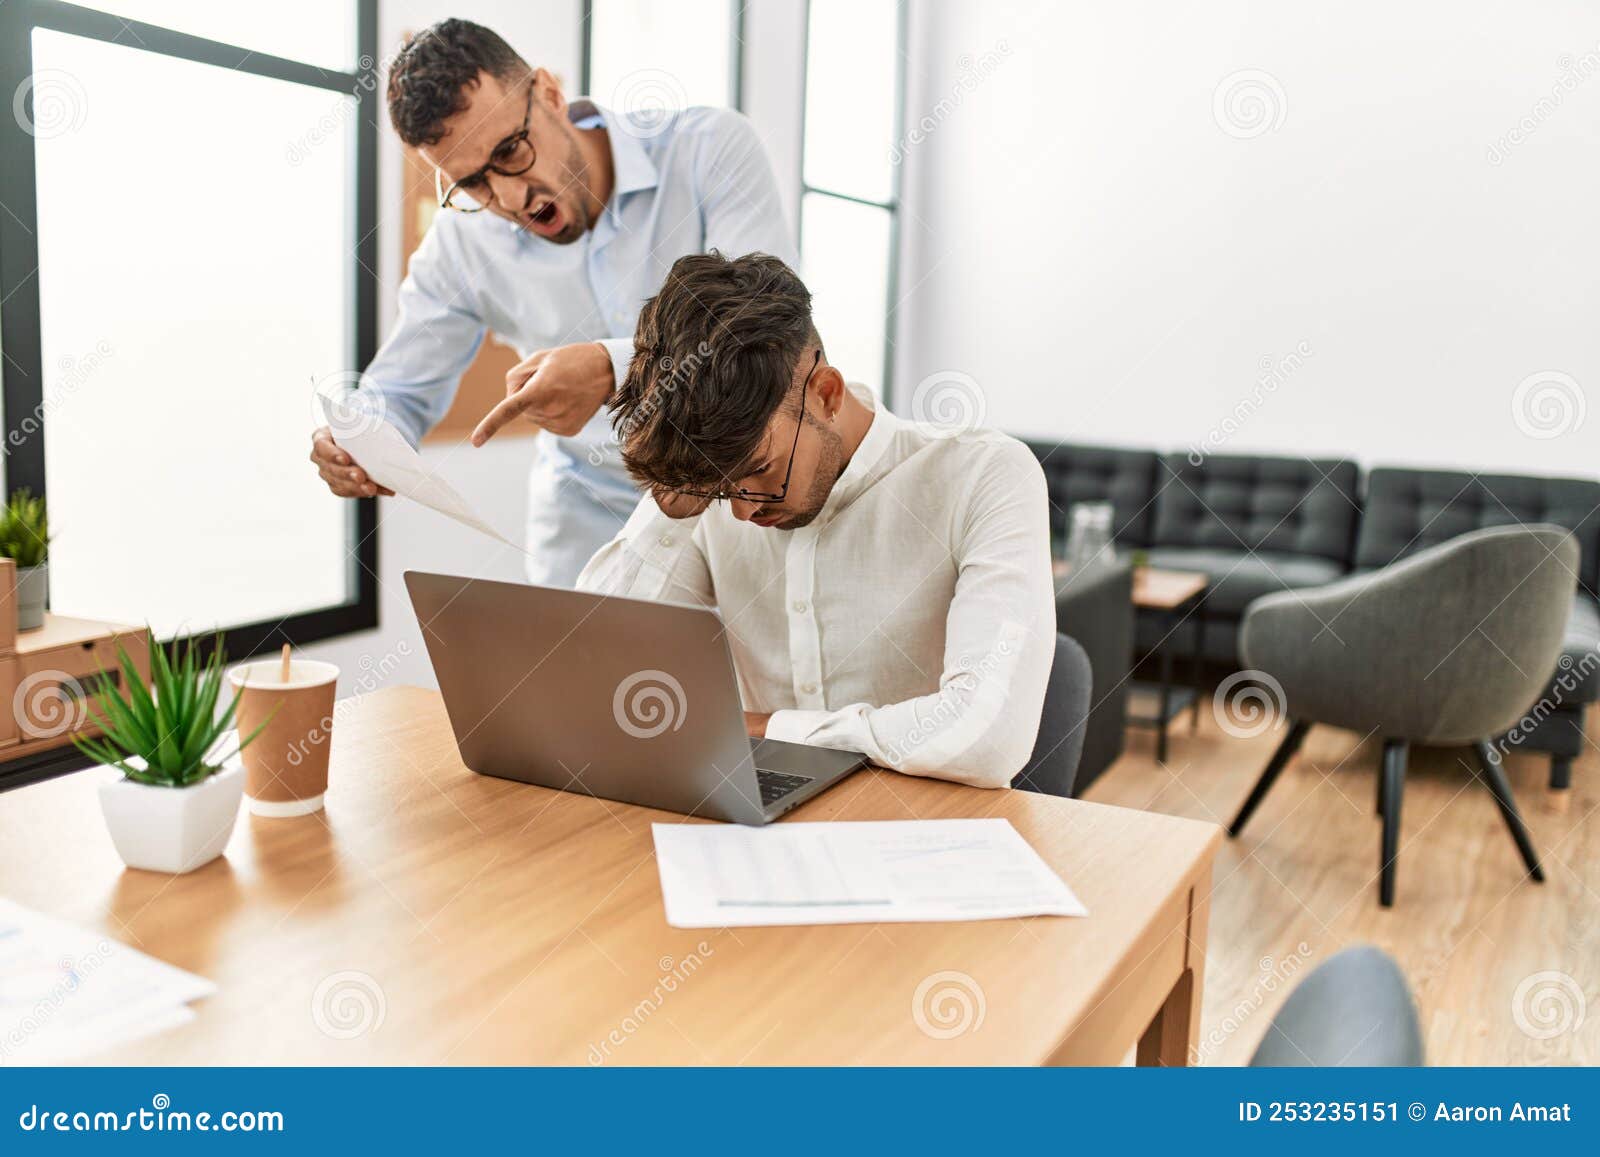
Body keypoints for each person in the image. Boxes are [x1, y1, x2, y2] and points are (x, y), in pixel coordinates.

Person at [307, 18, 793, 585]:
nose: (511, 197)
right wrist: (359, 438)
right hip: (587, 517)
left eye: (512, 149)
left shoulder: (708, 149)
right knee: (567, 671)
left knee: (744, 674)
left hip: (742, 490)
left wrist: (615, 370)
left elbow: (766, 323)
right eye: (473, 184)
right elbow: (398, 389)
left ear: (550, 94)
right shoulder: (463, 245)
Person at [577, 252, 1056, 788]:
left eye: (761, 470)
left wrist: (766, 730)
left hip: (928, 830)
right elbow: (594, 668)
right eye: (718, 489)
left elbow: (988, 736)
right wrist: (673, 498)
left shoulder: (984, 473)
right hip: (751, 825)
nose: (742, 509)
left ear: (826, 394)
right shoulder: (714, 491)